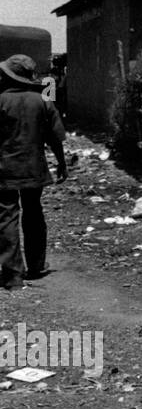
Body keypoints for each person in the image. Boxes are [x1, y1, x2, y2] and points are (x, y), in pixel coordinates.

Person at [0, 54, 67, 289]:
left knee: (7, 218)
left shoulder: (0, 101)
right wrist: (61, 163)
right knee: (34, 213)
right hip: (34, 168)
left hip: (4, 170)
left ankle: (12, 276)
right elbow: (56, 137)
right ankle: (36, 266)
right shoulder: (43, 100)